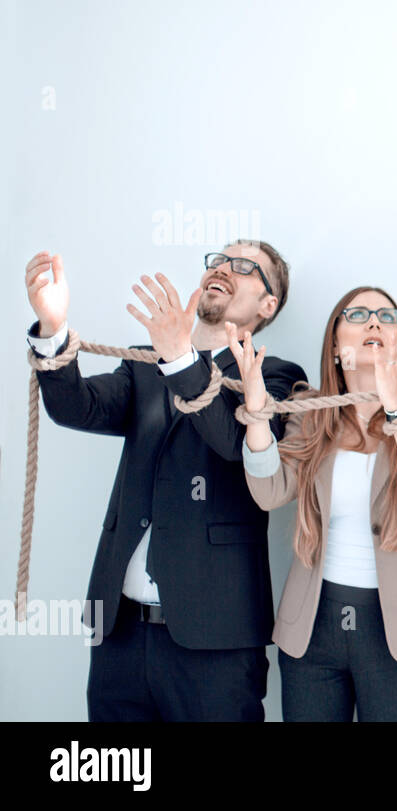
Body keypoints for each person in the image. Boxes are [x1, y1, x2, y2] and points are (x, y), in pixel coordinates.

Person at [23, 242, 306, 721]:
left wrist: (181, 359)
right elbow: (77, 407)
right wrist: (53, 330)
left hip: (215, 641)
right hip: (118, 632)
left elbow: (239, 445)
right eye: (218, 260)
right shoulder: (142, 363)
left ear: (268, 304)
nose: (222, 268)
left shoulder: (276, 377)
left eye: (243, 266)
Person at [236, 287, 397, 721]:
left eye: (386, 315)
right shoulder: (309, 409)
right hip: (313, 625)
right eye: (357, 314)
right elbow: (269, 491)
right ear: (336, 346)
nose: (373, 321)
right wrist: (257, 413)